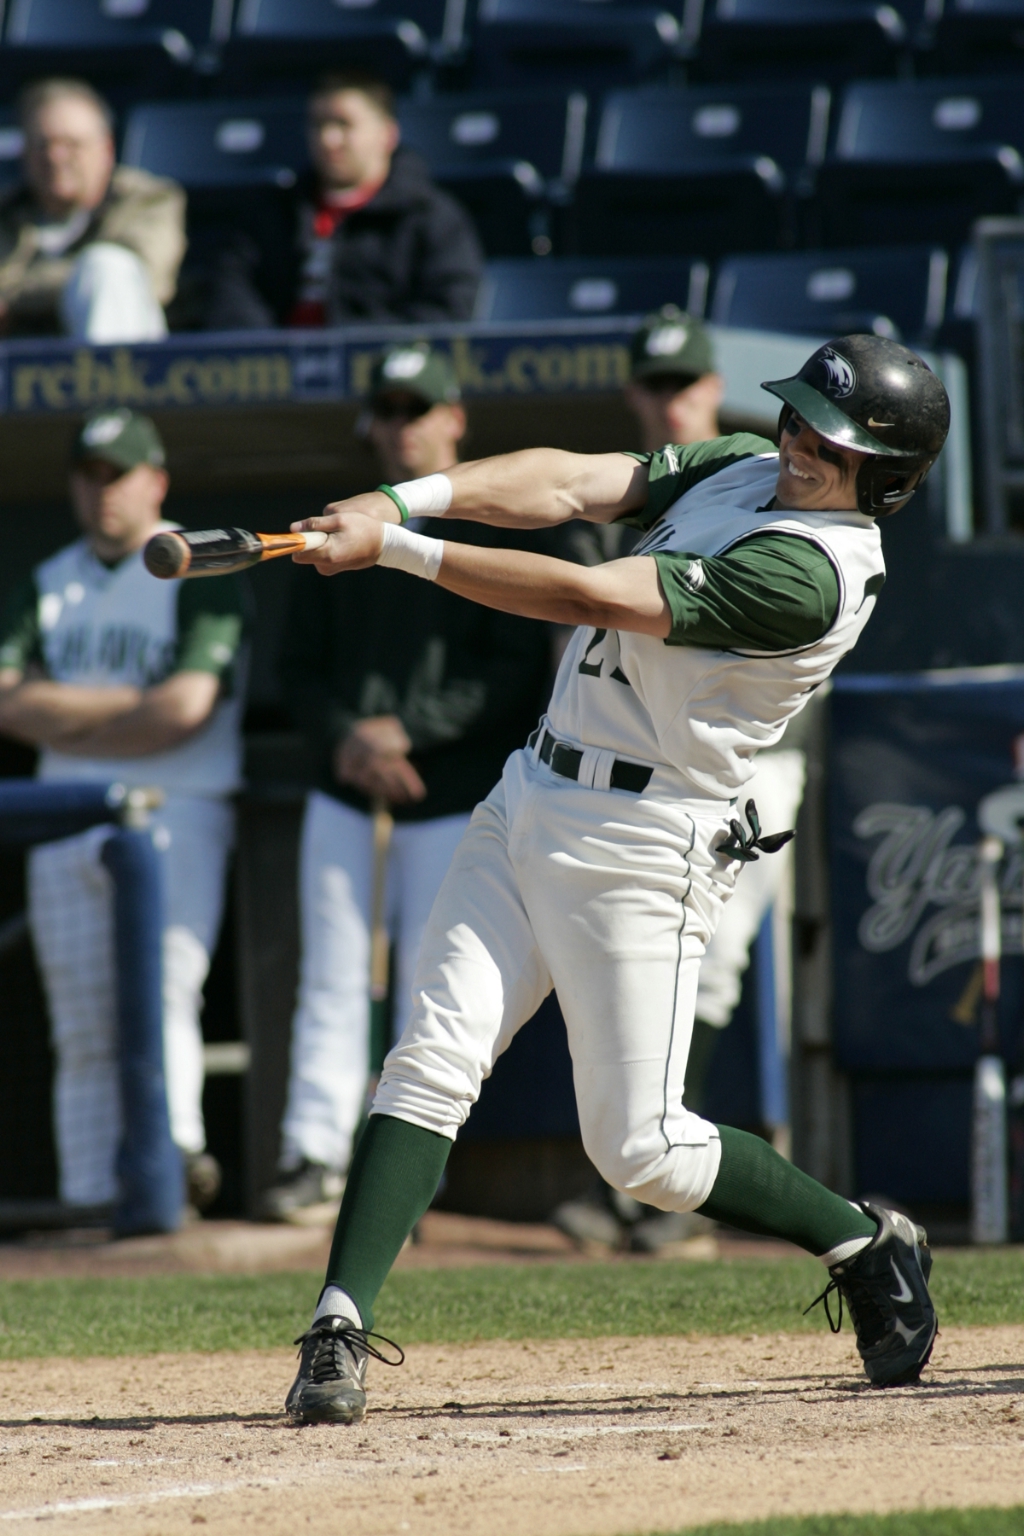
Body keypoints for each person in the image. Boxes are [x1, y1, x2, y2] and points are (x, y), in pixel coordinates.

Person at [280, 333, 950, 1423]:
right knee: (430, 1057)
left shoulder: (812, 570)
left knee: (637, 1150)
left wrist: (400, 550)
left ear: (886, 474)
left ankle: (860, 1240)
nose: (796, 445)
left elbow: (594, 593)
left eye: (828, 442)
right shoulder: (744, 464)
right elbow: (569, 481)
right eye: (794, 420)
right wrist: (402, 496)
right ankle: (337, 1323)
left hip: (645, 841)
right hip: (531, 791)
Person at [259, 344, 554, 1221]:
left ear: (454, 418)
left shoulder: (489, 520)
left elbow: (512, 673)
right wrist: (351, 740)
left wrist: (408, 731)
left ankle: (406, 1176)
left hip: (451, 791)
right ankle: (313, 1158)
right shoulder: (332, 527)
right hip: (348, 790)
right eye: (390, 408)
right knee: (333, 978)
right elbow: (295, 670)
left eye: (419, 407)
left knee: (437, 988)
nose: (405, 425)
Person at [554, 308, 810, 1254]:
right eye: (654, 387)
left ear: (713, 388)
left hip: (745, 771)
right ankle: (646, 1191)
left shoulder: (768, 488)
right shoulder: (644, 495)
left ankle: (674, 1199)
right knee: (654, 976)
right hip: (631, 769)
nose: (670, 402)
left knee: (716, 968)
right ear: (637, 395)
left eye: (685, 385)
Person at [0, 410, 247, 1216]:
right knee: (78, 1020)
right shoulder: (47, 578)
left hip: (179, 803)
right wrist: (121, 706)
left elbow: (183, 708)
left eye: (120, 472)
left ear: (156, 480)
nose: (103, 488)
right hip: (62, 810)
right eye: (90, 472)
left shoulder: (199, 562)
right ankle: (86, 1197)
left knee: (167, 985)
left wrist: (64, 713)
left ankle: (171, 1165)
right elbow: (5, 704)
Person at [207, 71, 482, 330]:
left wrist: (354, 349)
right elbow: (231, 290)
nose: (328, 139)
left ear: (387, 134)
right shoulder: (276, 211)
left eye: (344, 124)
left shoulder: (430, 215)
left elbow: (449, 309)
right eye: (318, 124)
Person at [0, 78, 185, 341]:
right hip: (17, 364)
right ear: (24, 153)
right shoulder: (5, 212)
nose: (56, 157)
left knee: (106, 268)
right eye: (43, 145)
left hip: (132, 362)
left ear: (106, 150)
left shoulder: (147, 200)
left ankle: (103, 380)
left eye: (71, 145)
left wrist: (15, 297)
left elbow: (145, 274)